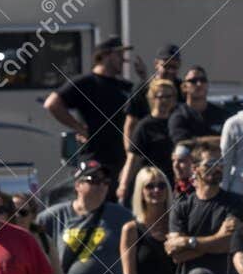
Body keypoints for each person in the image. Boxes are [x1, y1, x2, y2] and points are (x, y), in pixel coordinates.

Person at [43, 36, 134, 191]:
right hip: (95, 159)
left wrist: (145, 77)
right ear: (105, 55)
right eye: (119, 54)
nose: (123, 60)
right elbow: (52, 103)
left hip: (122, 161)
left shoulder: (125, 86)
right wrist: (79, 127)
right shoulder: (86, 83)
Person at [168, 142, 242, 274]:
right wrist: (216, 239)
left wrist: (188, 242)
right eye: (210, 163)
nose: (217, 167)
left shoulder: (235, 203)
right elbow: (176, 254)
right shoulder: (181, 206)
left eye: (220, 162)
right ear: (195, 168)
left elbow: (228, 244)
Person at [119, 76, 179, 199]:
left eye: (169, 97)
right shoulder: (145, 126)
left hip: (173, 185)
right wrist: (123, 186)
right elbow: (132, 159)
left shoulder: (178, 123)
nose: (164, 100)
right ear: (152, 98)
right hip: (151, 185)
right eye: (160, 96)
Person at [122, 166, 176, 274]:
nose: (156, 190)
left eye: (161, 185)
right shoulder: (131, 230)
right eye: (149, 186)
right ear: (140, 191)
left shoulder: (178, 225)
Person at [124, 42, 181, 144]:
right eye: (166, 66)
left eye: (174, 67)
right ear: (156, 64)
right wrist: (130, 151)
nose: (170, 71)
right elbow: (130, 124)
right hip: (147, 147)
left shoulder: (182, 88)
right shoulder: (142, 89)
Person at [169, 66, 236, 147]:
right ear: (184, 87)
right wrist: (219, 140)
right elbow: (182, 144)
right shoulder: (178, 115)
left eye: (203, 80)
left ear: (207, 85)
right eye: (193, 81)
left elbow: (233, 141)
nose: (199, 84)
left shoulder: (221, 114)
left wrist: (196, 141)